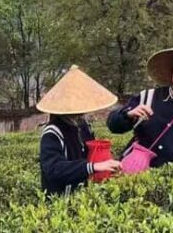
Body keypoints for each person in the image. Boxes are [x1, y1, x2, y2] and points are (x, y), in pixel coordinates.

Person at [38, 65, 122, 196]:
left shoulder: (83, 126)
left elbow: (90, 156)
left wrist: (105, 164)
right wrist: (91, 167)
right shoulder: (52, 133)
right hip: (60, 201)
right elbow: (54, 169)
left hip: (83, 196)